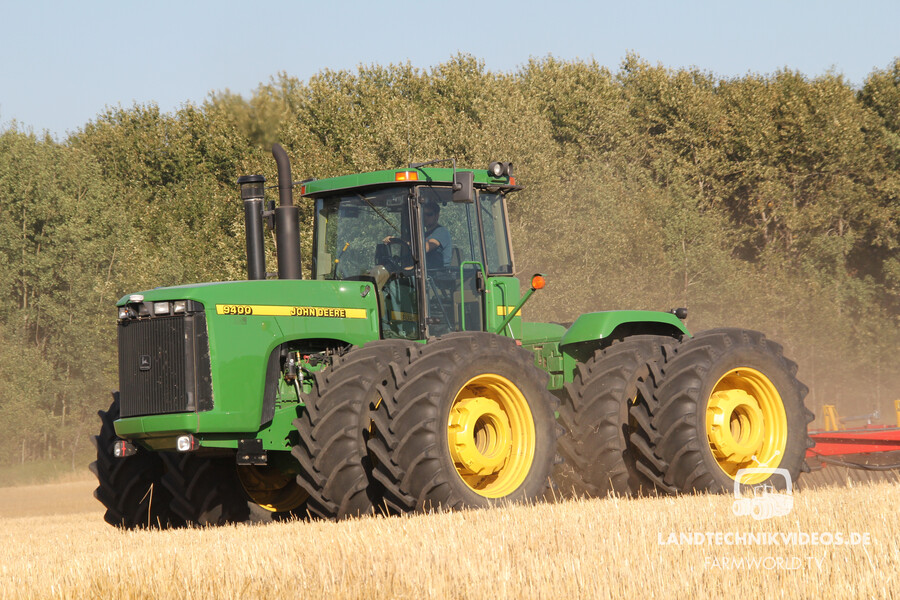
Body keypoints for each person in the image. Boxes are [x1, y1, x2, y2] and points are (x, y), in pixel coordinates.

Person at [382, 200, 452, 270]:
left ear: (437, 216)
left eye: (429, 214)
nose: (425, 218)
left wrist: (399, 241)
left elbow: (425, 248)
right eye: (423, 215)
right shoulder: (424, 235)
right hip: (426, 272)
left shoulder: (441, 231)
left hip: (439, 274)